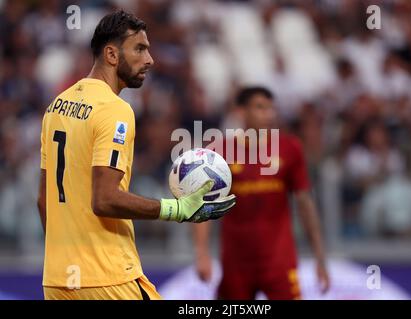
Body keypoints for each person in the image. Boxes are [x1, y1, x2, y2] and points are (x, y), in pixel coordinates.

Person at [37, 10, 235, 300]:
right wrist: (176, 210)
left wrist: (66, 259)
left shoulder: (56, 107)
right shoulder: (114, 109)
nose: (150, 60)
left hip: (57, 281)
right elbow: (104, 199)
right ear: (111, 54)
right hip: (108, 278)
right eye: (139, 49)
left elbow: (43, 201)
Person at [193, 87, 330, 299]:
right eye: (260, 107)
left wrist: (320, 258)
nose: (268, 114)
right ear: (240, 112)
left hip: (280, 263)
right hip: (235, 265)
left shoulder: (289, 148)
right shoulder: (220, 151)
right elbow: (205, 205)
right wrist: (202, 254)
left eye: (270, 108)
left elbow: (305, 204)